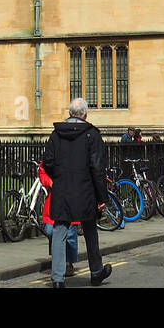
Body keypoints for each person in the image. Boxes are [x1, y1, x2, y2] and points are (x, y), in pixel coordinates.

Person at [41, 98, 113, 288]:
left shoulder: (56, 134)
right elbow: (97, 168)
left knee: (59, 231)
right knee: (90, 231)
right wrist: (102, 197)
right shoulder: (92, 134)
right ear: (85, 114)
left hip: (62, 190)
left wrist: (60, 177)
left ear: (71, 113)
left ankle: (57, 278)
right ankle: (96, 272)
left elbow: (47, 162)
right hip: (85, 190)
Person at [39, 160, 79, 278]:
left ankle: (67, 263)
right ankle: (59, 259)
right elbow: (42, 171)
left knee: (70, 235)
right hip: (55, 200)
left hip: (71, 198)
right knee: (50, 230)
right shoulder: (53, 150)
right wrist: (50, 182)